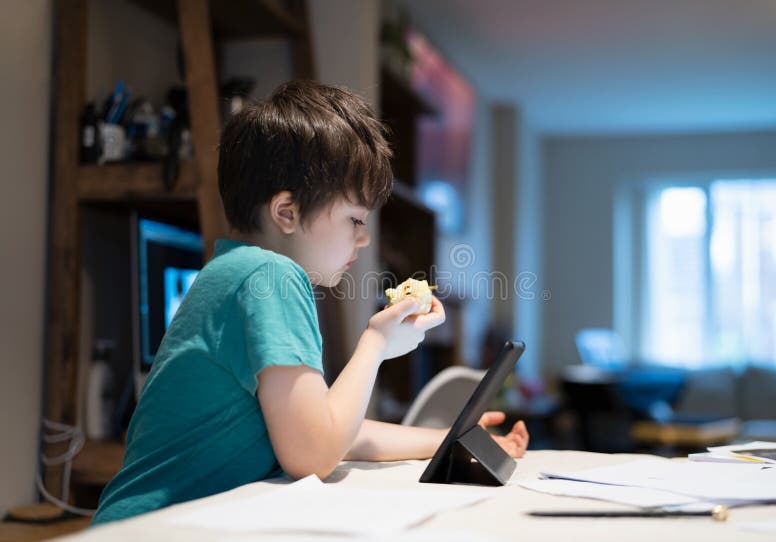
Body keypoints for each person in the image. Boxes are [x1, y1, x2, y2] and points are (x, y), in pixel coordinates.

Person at [91, 80, 529, 525]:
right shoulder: (271, 277)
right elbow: (314, 453)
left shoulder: (237, 271)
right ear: (287, 212)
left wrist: (448, 440)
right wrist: (375, 344)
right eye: (355, 219)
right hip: (149, 529)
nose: (364, 238)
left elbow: (329, 428)